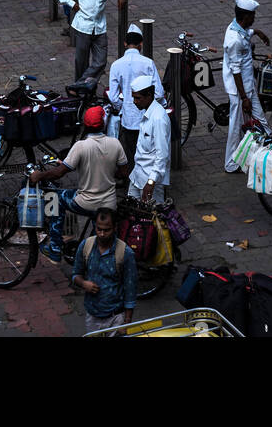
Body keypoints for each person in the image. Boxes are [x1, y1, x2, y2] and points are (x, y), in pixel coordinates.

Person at [27, 105, 128, 263]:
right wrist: (106, 170)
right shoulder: (115, 144)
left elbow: (59, 172)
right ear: (103, 123)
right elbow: (123, 173)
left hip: (85, 202)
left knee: (53, 197)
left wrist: (39, 175)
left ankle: (54, 247)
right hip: (109, 203)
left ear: (85, 125)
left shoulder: (81, 146)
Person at [53, 0, 127, 85]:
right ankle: (82, 91)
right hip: (83, 27)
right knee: (81, 62)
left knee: (100, 62)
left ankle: (77, 86)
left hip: (100, 26)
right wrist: (71, 3)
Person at [71, 207, 137, 335]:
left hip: (116, 318)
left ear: (115, 227)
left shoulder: (125, 253)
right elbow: (75, 274)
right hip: (92, 317)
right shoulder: (86, 246)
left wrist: (127, 322)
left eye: (106, 230)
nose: (102, 234)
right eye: (99, 229)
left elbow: (130, 290)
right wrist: (83, 283)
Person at [223, 0, 270, 173]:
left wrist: (257, 32)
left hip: (248, 86)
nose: (254, 18)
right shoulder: (234, 40)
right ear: (245, 17)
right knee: (235, 128)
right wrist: (244, 98)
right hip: (239, 91)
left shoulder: (238, 27)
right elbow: (235, 71)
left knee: (261, 120)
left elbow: (246, 33)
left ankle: (270, 154)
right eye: (252, 16)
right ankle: (230, 163)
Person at [108, 26, 164, 170]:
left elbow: (114, 97)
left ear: (125, 44)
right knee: (150, 154)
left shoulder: (116, 65)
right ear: (141, 44)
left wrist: (124, 107)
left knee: (131, 154)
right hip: (147, 119)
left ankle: (132, 184)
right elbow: (159, 93)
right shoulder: (148, 63)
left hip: (129, 121)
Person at [128, 74, 171, 206]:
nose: (135, 102)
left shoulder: (158, 119)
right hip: (137, 176)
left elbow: (162, 155)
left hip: (150, 181)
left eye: (138, 98)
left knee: (153, 220)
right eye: (134, 98)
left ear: (149, 96)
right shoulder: (148, 113)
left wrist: (151, 182)